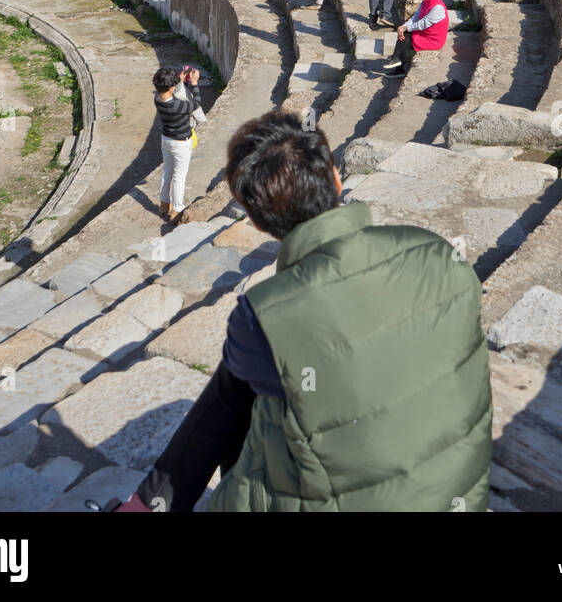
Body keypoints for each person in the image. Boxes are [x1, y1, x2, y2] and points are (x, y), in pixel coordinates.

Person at [114, 108, 492, 513]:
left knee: (250, 378)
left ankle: (151, 503)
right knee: (268, 358)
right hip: (459, 493)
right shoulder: (437, 252)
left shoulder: (264, 314)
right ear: (336, 177)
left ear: (258, 224)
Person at [154, 64, 201, 220]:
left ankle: (164, 204)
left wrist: (179, 82)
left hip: (166, 140)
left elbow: (170, 94)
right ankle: (176, 210)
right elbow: (196, 104)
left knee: (167, 171)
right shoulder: (176, 105)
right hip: (181, 142)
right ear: (170, 87)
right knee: (179, 176)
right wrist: (193, 84)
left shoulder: (158, 98)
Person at [382, 0, 450, 76]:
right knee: (405, 37)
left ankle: (396, 60)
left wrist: (405, 28)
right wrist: (404, 26)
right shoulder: (425, 2)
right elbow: (415, 18)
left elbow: (423, 23)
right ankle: (397, 61)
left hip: (433, 39)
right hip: (425, 34)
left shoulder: (438, 7)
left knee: (407, 38)